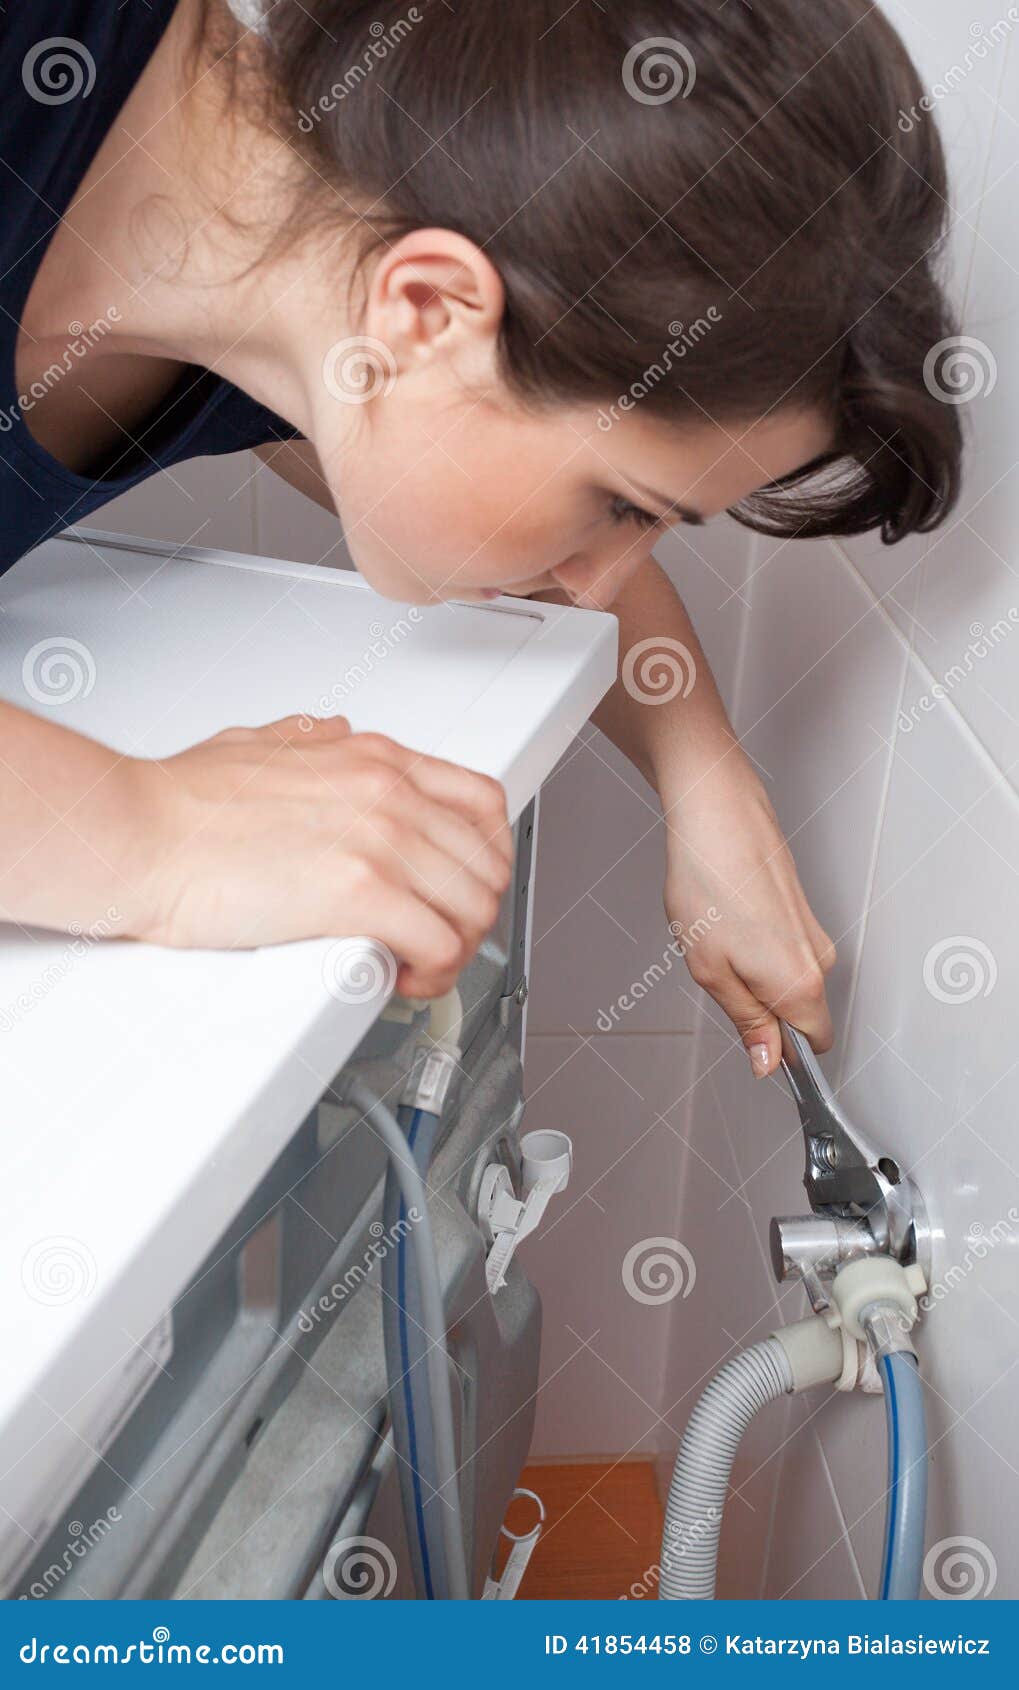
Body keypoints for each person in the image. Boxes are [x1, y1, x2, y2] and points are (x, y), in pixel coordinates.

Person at [0, 0, 961, 1072]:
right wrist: (152, 832)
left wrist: (703, 775)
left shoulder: (292, 292)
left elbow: (467, 484)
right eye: (619, 504)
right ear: (427, 307)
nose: (598, 584)